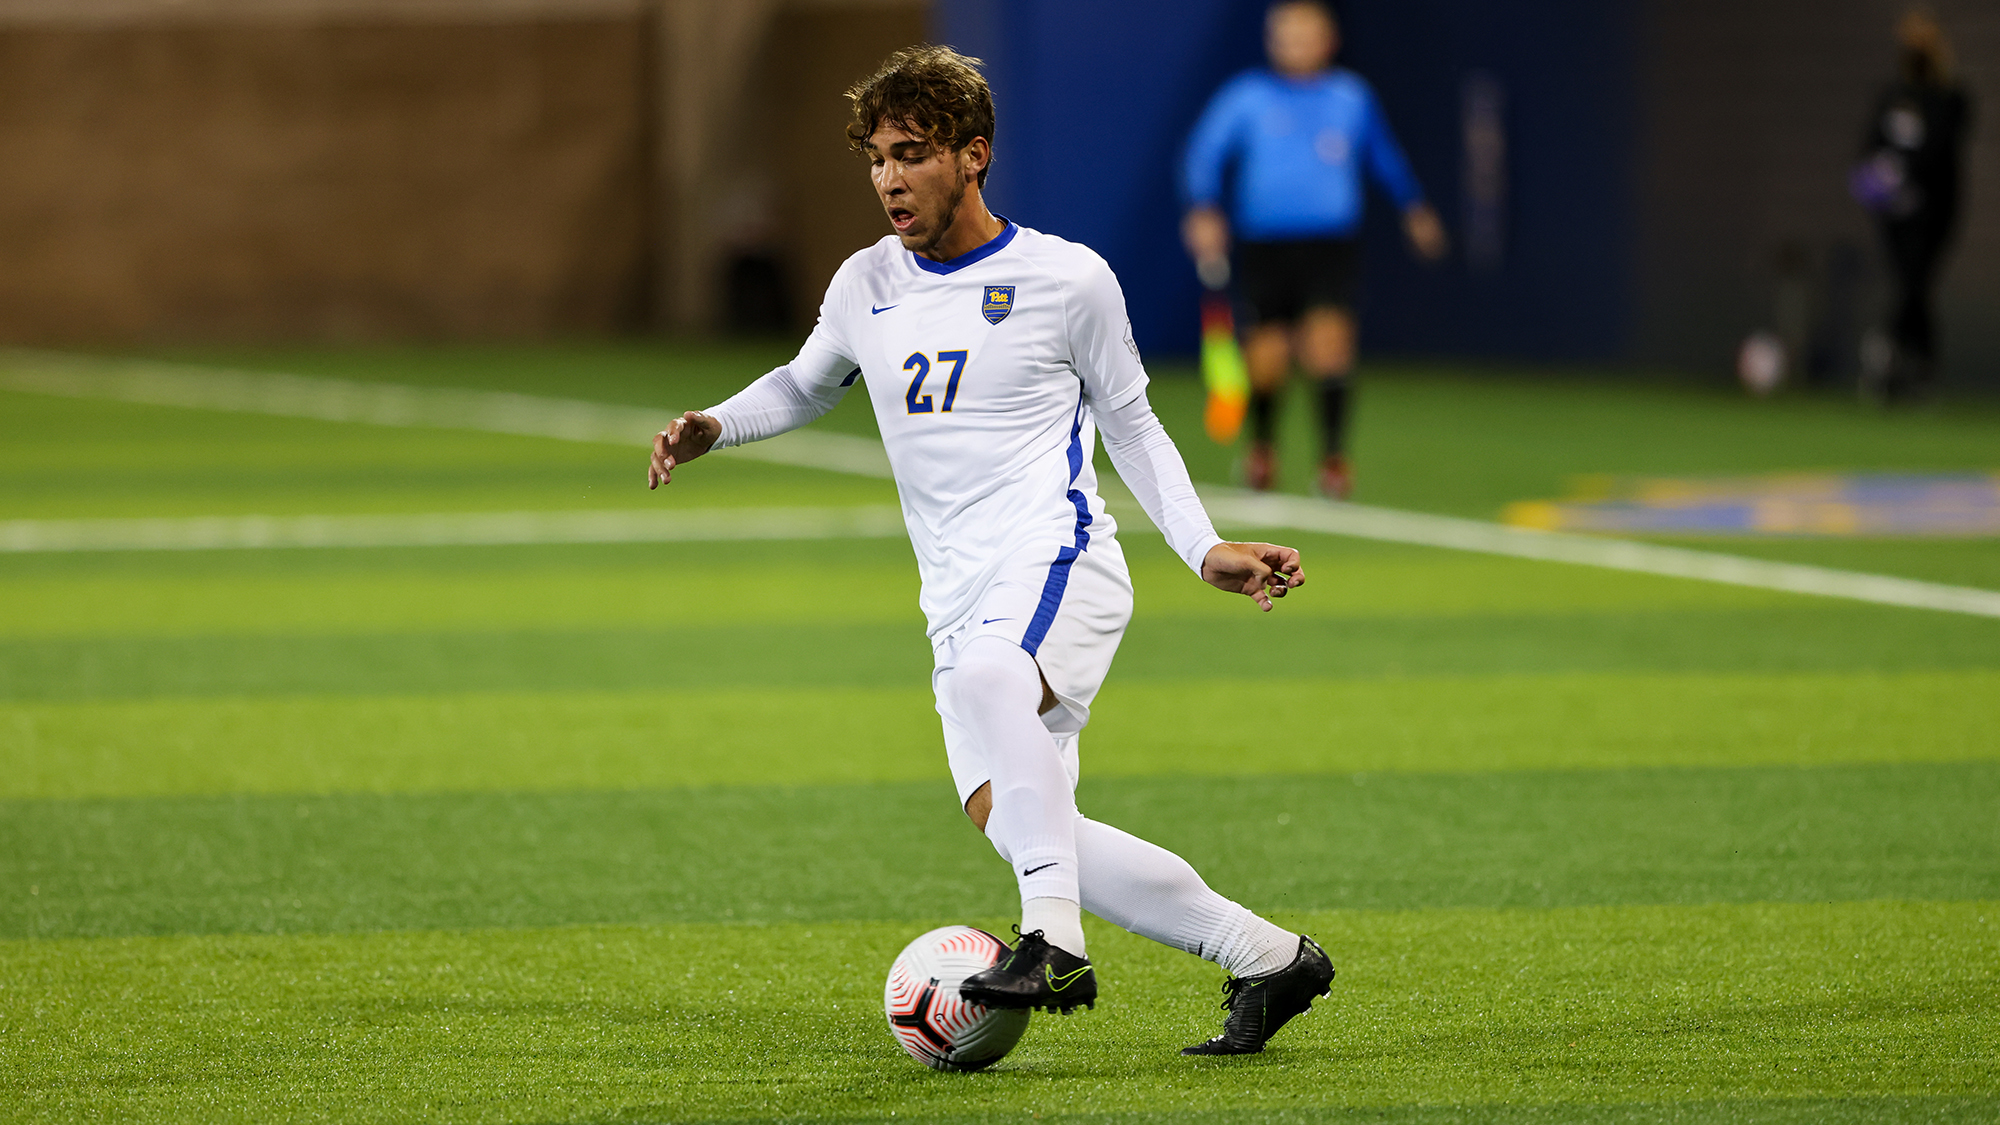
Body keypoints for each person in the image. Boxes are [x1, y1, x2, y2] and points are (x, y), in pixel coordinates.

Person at [647, 46, 1334, 1056]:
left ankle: (1051, 943)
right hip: (957, 596)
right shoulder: (865, 283)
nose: (888, 178)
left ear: (973, 155)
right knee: (1025, 821)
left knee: (991, 683)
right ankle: (1269, 957)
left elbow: (1134, 425)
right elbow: (803, 382)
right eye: (877, 158)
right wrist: (717, 423)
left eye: (912, 153)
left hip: (1058, 559)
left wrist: (1200, 548)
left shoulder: (1066, 279)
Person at [1181, 0, 1446, 497]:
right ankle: (1262, 452)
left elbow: (1383, 155)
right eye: (1284, 36)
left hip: (1330, 244)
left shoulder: (1351, 97)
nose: (1294, 46)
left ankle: (1333, 460)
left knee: (1329, 344)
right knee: (1268, 354)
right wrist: (1203, 208)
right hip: (1266, 244)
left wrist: (1413, 206)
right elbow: (1203, 153)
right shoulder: (1247, 96)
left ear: (1329, 42)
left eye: (1305, 36)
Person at [1854, 7, 1972, 403]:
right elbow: (1870, 145)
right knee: (1910, 287)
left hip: (1933, 212)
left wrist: (1902, 168)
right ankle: (1917, 365)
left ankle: (1890, 350)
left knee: (1916, 284)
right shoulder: (1892, 97)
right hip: (1895, 214)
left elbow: (1938, 150)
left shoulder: (1950, 97)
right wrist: (1876, 174)